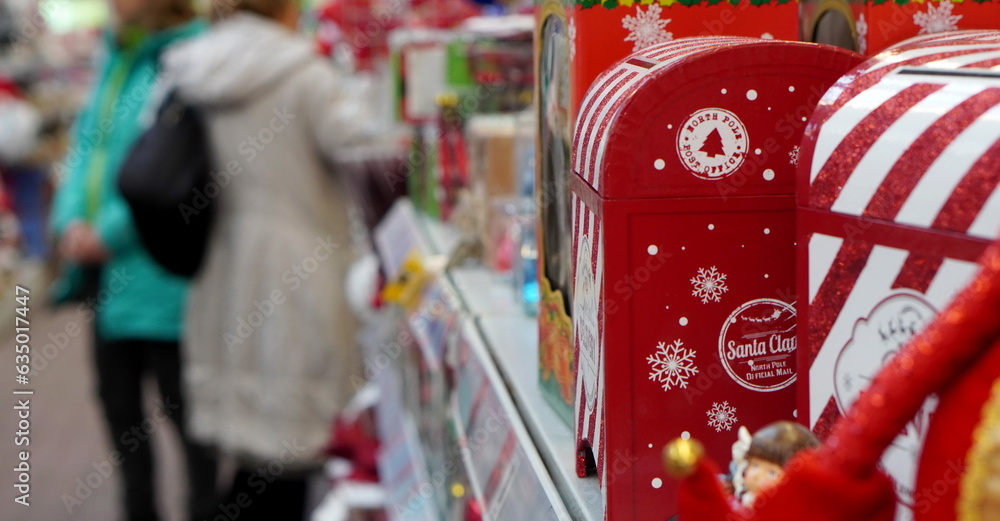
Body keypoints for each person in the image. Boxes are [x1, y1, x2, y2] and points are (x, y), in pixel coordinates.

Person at [161, 0, 369, 518]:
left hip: (222, 267)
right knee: (294, 455)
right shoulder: (306, 73)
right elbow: (367, 152)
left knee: (255, 453)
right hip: (300, 270)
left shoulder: (187, 68)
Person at [48, 2, 217, 521]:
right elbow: (85, 150)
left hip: (163, 273)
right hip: (105, 277)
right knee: (120, 413)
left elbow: (174, 167)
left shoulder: (189, 58)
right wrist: (69, 219)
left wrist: (109, 232)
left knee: (190, 422)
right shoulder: (115, 58)